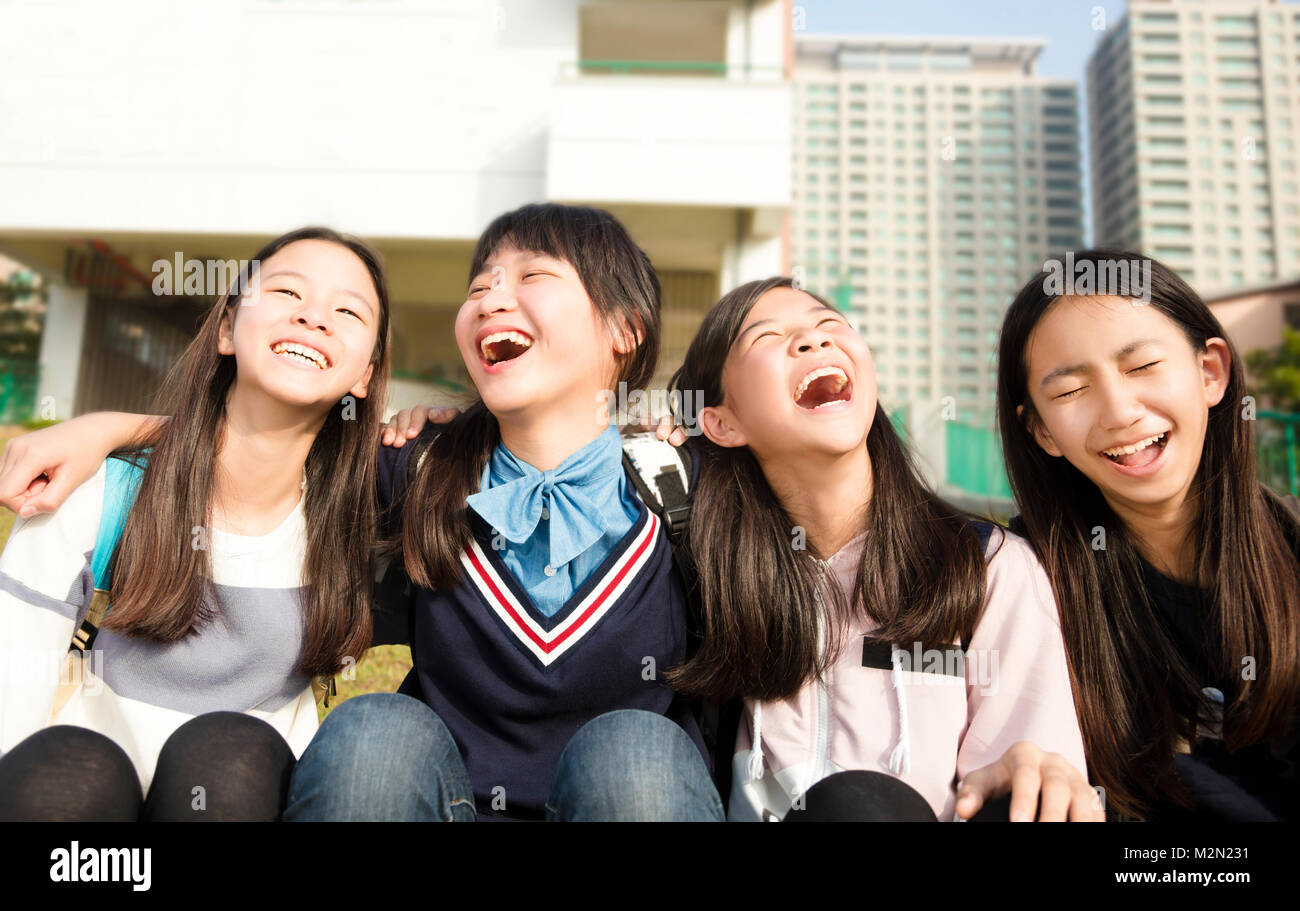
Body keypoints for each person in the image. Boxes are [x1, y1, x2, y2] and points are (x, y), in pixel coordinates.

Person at [0, 204, 721, 822]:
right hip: (439, 796)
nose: (494, 299)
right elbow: (267, 444)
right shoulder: (417, 469)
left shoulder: (684, 485)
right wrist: (110, 427)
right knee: (374, 730)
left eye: (532, 277)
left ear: (625, 330)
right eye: (481, 285)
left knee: (636, 749)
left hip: (630, 792)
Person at [388, 277, 1101, 822]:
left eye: (828, 327)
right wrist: (457, 431)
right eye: (769, 338)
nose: (814, 341)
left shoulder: (982, 566)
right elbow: (562, 461)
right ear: (721, 419)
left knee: (858, 806)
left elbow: (1033, 764)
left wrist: (1040, 773)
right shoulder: (699, 552)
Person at [0, 227, 390, 820]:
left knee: (227, 756)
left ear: (364, 374)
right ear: (229, 329)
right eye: (286, 292)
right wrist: (110, 429)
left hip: (241, 797)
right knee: (66, 769)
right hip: (86, 817)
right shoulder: (92, 491)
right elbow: (11, 688)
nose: (314, 318)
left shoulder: (362, 519)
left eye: (347, 311)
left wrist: (431, 426)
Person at [996, 249, 1300, 820]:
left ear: (1210, 372)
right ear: (1041, 430)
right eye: (1068, 392)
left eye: (1141, 367)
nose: (1119, 411)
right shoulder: (1020, 583)